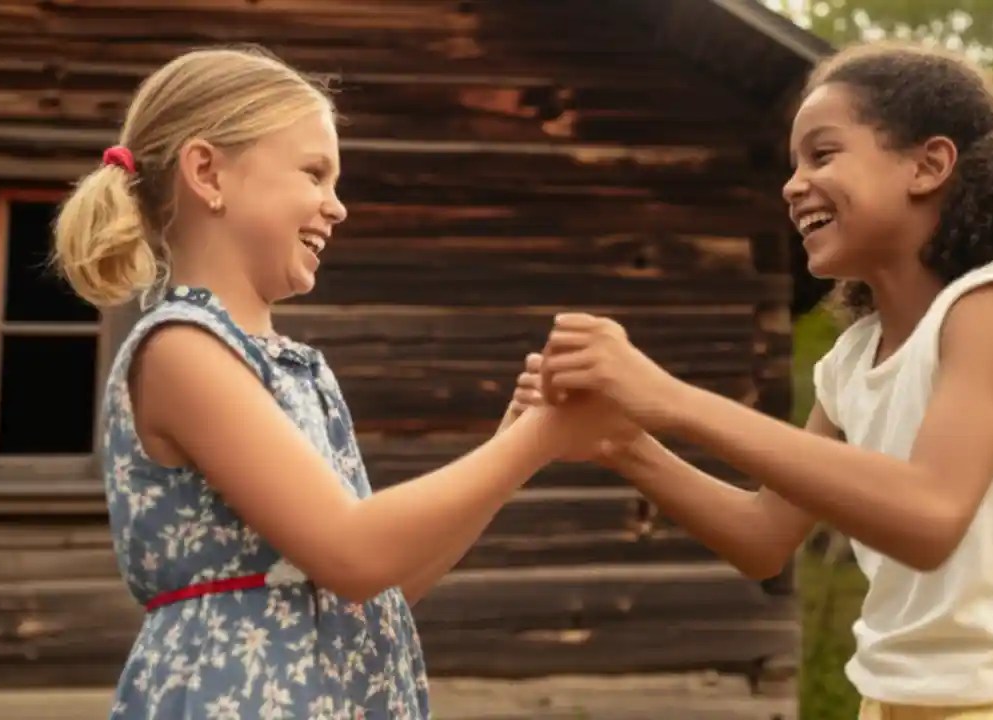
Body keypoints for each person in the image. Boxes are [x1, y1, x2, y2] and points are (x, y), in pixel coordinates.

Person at [508, 41, 993, 719]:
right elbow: (762, 538)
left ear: (929, 165)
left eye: (822, 154)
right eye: (792, 163)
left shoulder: (990, 306)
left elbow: (929, 516)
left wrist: (673, 401)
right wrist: (622, 443)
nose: (793, 184)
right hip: (891, 703)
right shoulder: (853, 360)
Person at [52, 45, 618, 720]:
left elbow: (381, 582)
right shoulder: (183, 349)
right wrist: (539, 441)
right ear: (207, 172)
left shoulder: (292, 367)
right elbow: (354, 552)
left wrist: (515, 440)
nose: (336, 207)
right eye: (315, 173)